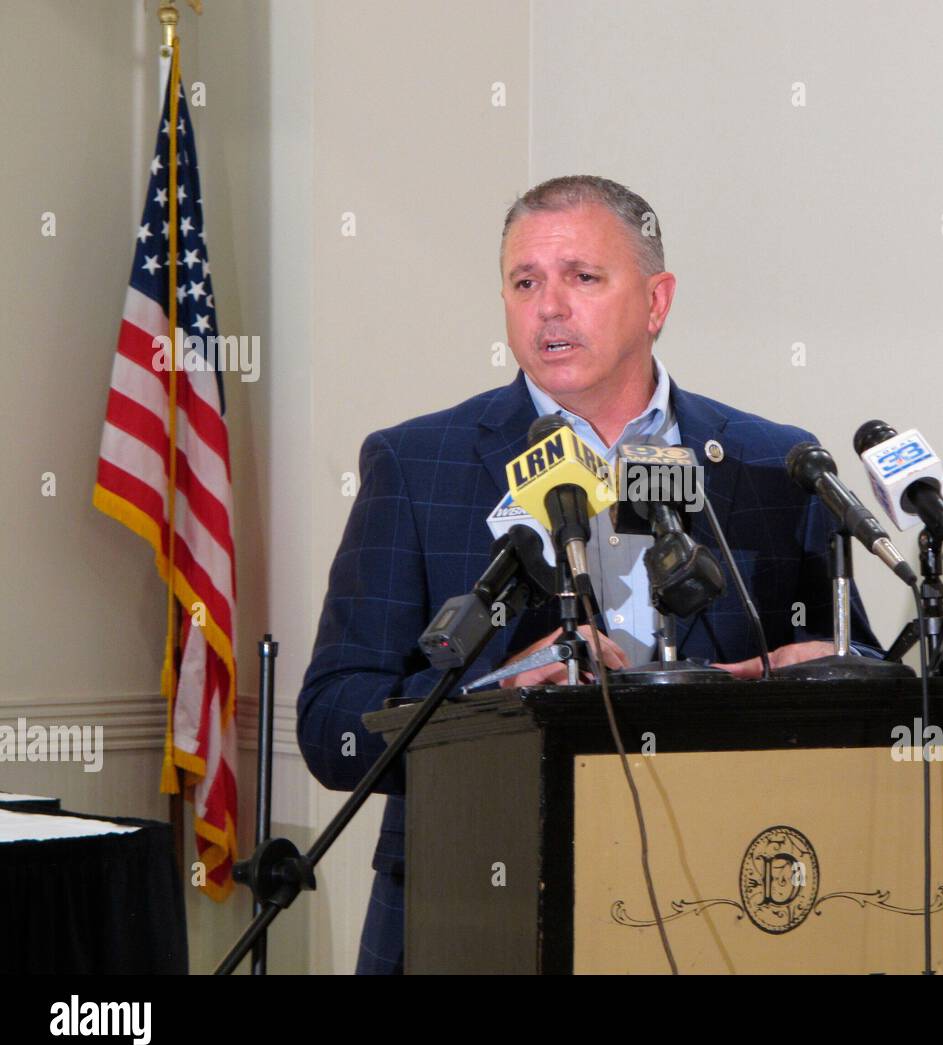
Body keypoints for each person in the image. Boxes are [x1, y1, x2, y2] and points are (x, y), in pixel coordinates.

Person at [297, 175, 883, 974]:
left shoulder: (765, 463)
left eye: (582, 277)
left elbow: (866, 677)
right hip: (483, 905)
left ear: (656, 300)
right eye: (525, 281)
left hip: (722, 899)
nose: (549, 306)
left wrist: (807, 677)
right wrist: (491, 699)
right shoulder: (416, 463)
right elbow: (332, 724)